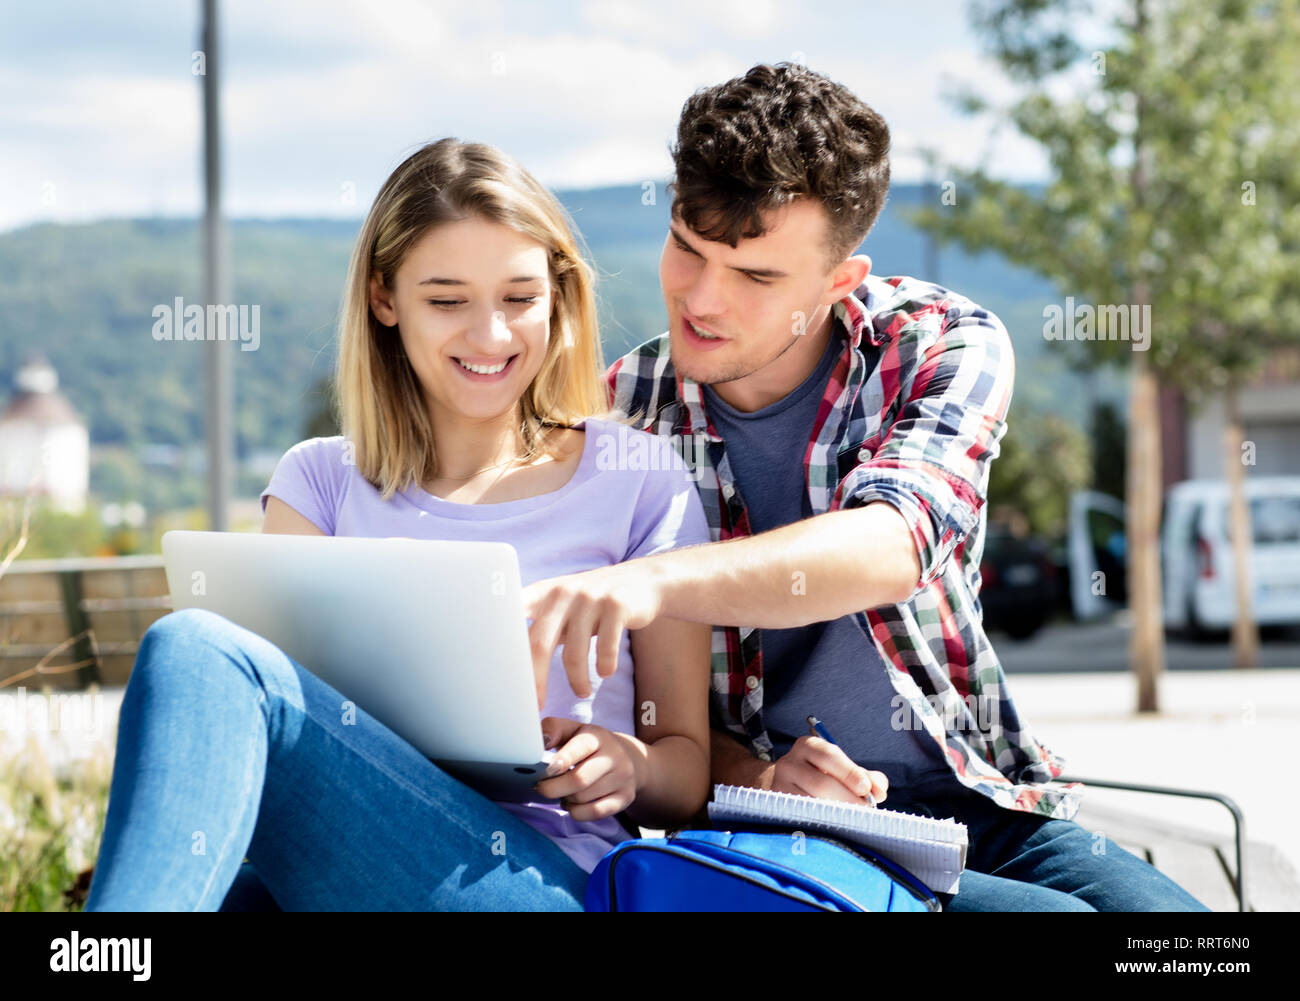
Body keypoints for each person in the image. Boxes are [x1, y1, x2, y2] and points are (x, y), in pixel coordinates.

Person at [520, 62, 1210, 912]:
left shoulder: (941, 344)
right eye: (687, 249)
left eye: (757, 277)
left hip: (980, 801)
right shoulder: (621, 415)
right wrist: (764, 777)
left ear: (840, 281)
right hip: (773, 826)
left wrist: (649, 578)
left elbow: (892, 543)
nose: (701, 299)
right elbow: (663, 720)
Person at [83, 138, 711, 912]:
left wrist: (632, 766)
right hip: (346, 864)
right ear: (385, 300)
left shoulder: (639, 479)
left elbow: (687, 770)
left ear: (559, 294)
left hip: (541, 879)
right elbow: (285, 746)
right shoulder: (317, 483)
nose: (490, 335)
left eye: (520, 298)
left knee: (195, 647)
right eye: (447, 300)